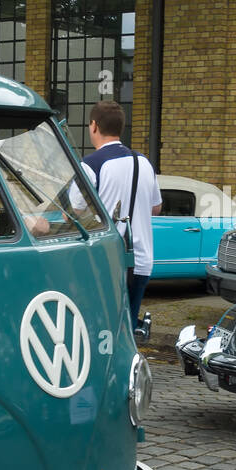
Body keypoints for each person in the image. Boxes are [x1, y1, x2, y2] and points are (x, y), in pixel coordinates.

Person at [74, 100, 161, 329]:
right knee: (128, 328)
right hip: (141, 260)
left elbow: (71, 214)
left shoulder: (90, 164)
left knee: (102, 328)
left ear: (93, 126)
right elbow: (156, 207)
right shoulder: (143, 162)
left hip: (107, 261)